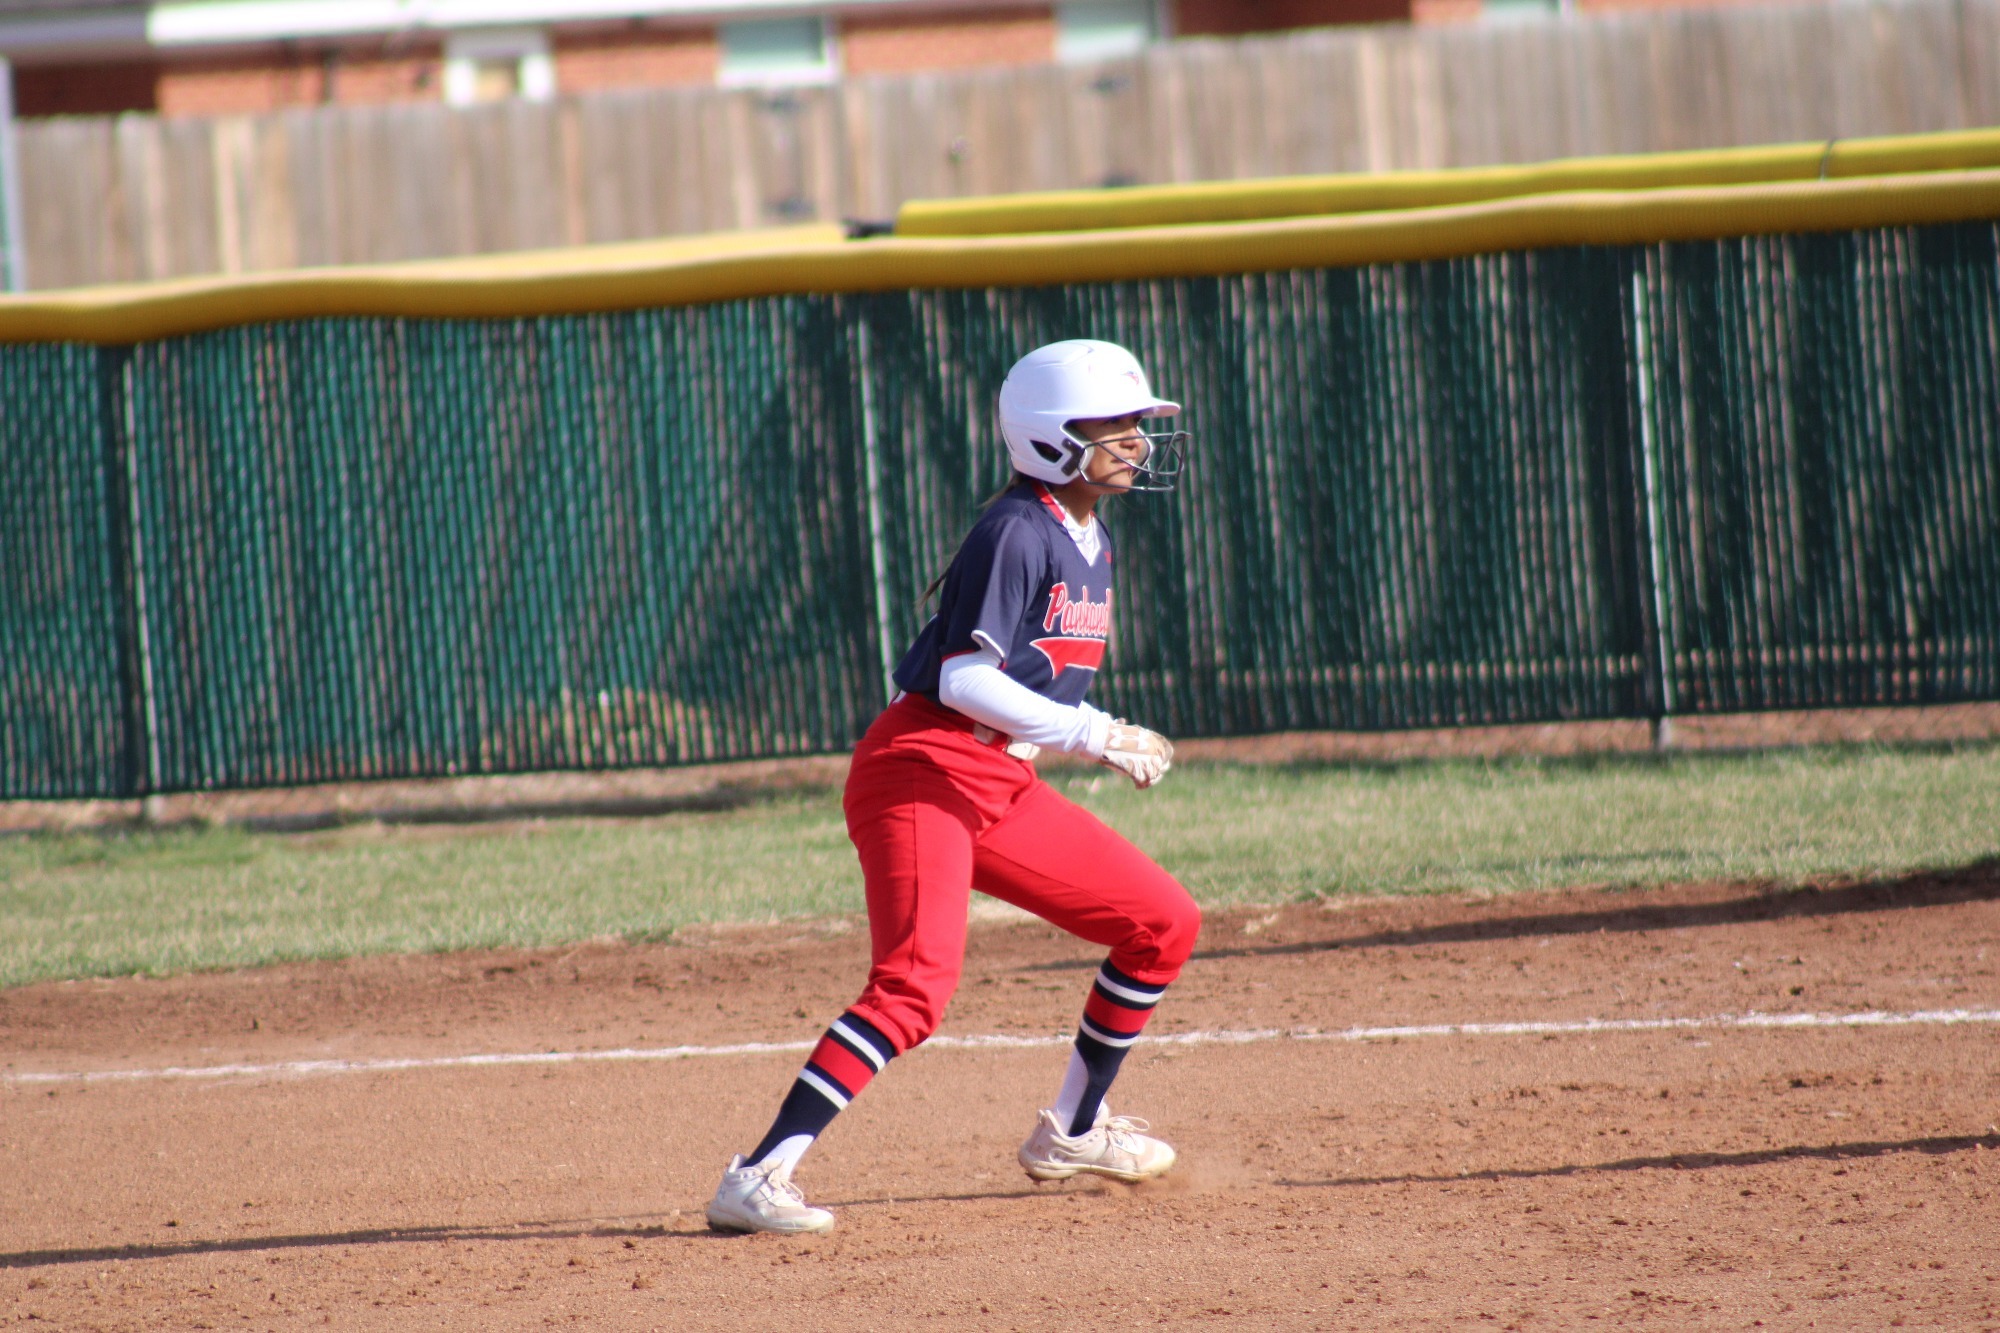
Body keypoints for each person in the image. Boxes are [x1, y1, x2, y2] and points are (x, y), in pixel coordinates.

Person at [705, 339, 1201, 1235]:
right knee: (914, 987)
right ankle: (758, 1175)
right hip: (921, 771)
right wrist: (1098, 733)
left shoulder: (1092, 538)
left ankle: (1075, 1130)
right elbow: (966, 682)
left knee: (1162, 922)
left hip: (996, 783)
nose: (1136, 440)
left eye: (1139, 425)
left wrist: (1094, 726)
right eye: (1115, 425)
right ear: (1052, 437)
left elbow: (1026, 683)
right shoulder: (1017, 528)